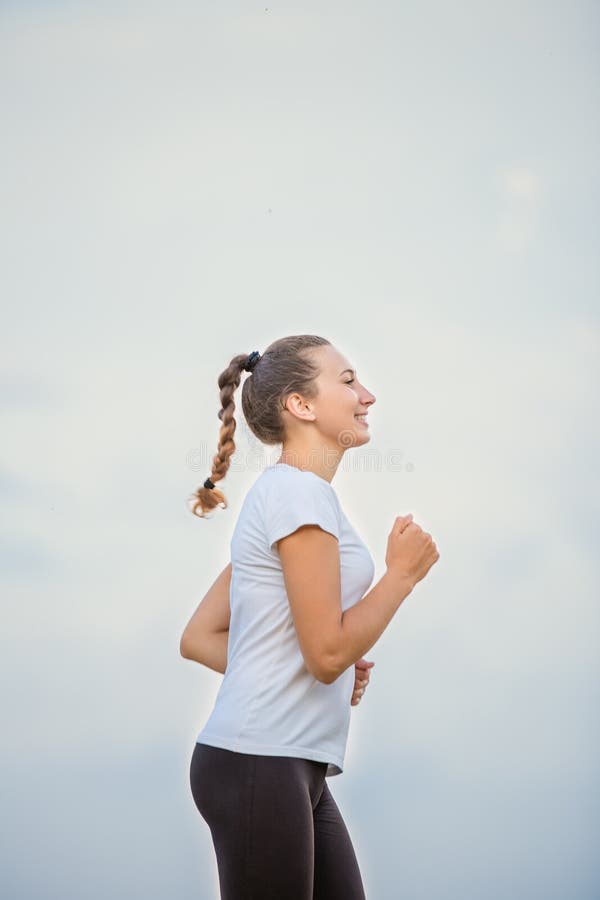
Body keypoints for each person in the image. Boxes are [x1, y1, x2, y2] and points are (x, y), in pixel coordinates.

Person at [180, 334, 440, 900]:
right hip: (259, 760)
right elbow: (325, 654)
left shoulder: (292, 496)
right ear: (300, 405)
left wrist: (329, 665)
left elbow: (201, 637)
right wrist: (401, 576)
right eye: (348, 381)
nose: (367, 395)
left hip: (286, 764)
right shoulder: (297, 497)